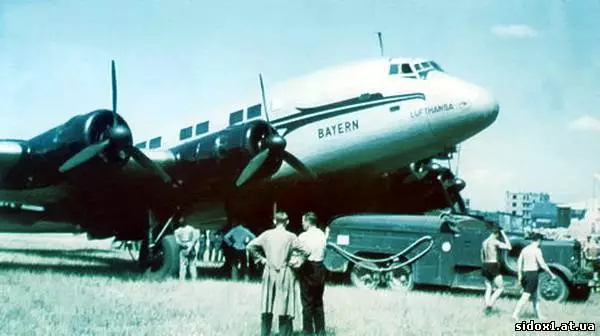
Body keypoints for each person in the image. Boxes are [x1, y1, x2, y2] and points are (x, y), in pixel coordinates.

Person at [246, 211, 311, 336]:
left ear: (274, 221)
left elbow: (250, 246)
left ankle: (265, 333)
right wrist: (298, 261)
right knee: (285, 305)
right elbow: (307, 250)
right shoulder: (291, 236)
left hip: (269, 271)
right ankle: (284, 333)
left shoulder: (266, 235)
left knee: (266, 303)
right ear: (287, 222)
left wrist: (261, 259)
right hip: (285, 272)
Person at [512, 233, 557, 321]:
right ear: (539, 241)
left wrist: (520, 275)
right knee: (525, 296)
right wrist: (551, 274)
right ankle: (515, 314)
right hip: (532, 274)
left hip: (525, 273)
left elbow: (519, 262)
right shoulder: (537, 250)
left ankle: (539, 316)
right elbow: (542, 264)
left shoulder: (525, 249)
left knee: (535, 297)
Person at [297, 212, 328, 335]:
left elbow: (299, 253)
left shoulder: (303, 236)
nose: (302, 223)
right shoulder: (322, 234)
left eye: (303, 221)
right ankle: (320, 331)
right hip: (319, 268)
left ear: (308, 222)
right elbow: (325, 252)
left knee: (307, 302)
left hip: (307, 268)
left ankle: (307, 331)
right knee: (318, 301)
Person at [480, 223, 512, 314]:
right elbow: (509, 247)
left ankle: (487, 307)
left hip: (485, 264)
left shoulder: (484, 242)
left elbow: (481, 256)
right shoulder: (495, 241)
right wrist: (504, 234)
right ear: (497, 234)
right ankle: (489, 304)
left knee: (488, 287)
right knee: (500, 288)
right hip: (493, 264)